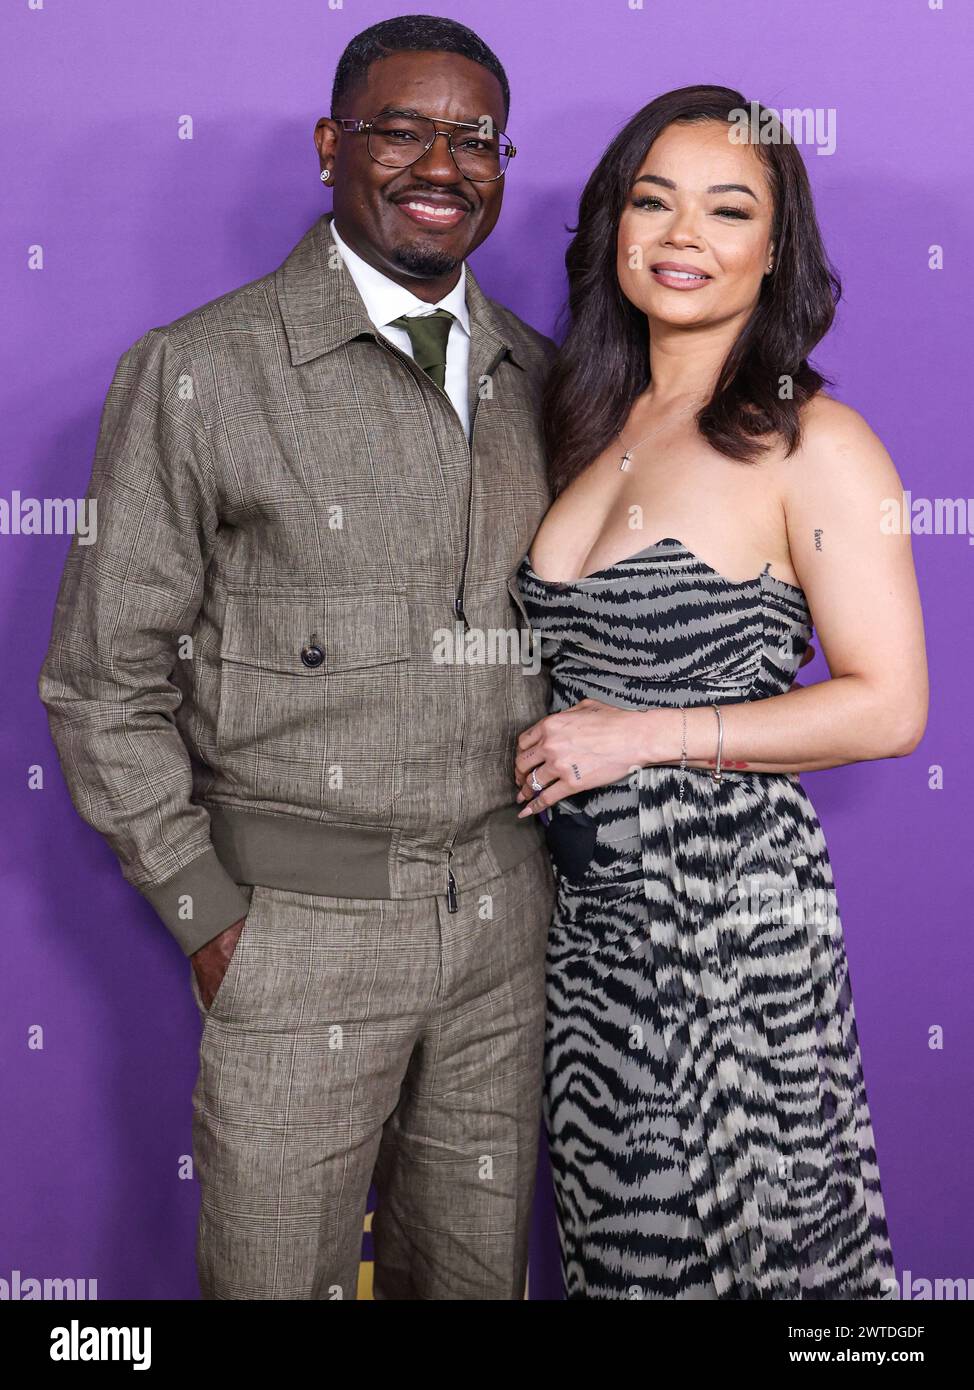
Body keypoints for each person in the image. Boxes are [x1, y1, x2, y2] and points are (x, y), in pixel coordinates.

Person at [38, 15, 558, 1301]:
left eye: (475, 138)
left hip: (508, 930)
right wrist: (208, 918)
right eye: (401, 129)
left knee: (475, 1279)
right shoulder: (198, 372)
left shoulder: (544, 380)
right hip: (295, 936)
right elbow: (102, 680)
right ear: (333, 148)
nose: (442, 162)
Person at [511, 85, 928, 1300]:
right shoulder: (588, 419)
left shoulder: (814, 441)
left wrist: (644, 732)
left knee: (758, 1253)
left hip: (728, 921)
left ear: (773, 249)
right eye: (653, 200)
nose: (682, 234)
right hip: (590, 938)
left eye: (725, 208)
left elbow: (888, 707)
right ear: (613, 226)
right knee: (625, 1259)